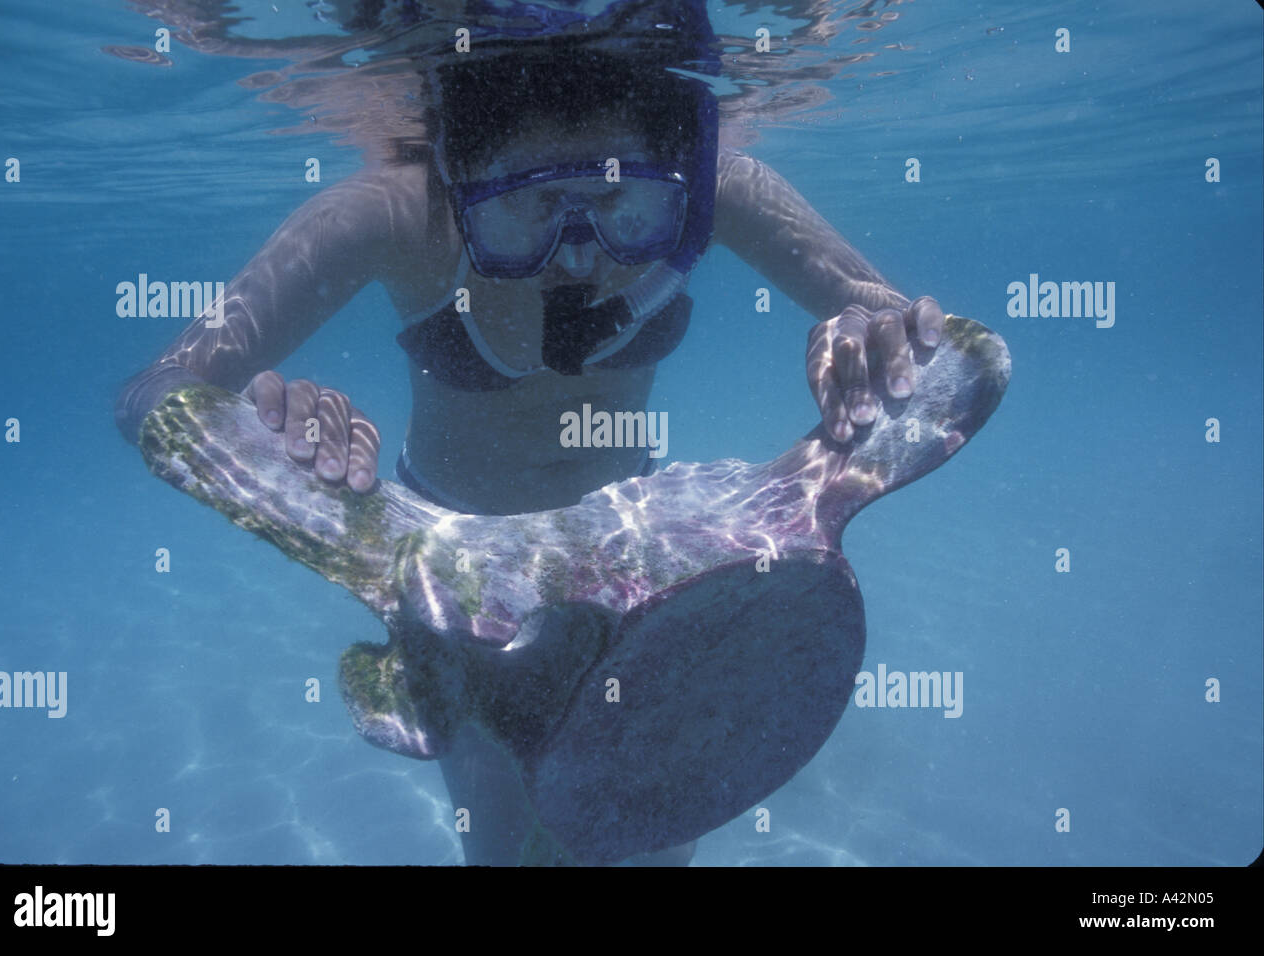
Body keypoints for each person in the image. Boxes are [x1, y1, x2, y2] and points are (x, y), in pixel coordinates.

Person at [115, 11, 946, 865]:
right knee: (508, 844)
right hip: (460, 583)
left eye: (621, 204)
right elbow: (156, 391)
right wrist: (265, 434)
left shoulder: (710, 188)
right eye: (530, 210)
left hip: (643, 570)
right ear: (455, 172)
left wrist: (868, 337)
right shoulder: (389, 215)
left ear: (673, 172)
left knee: (654, 838)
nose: (579, 256)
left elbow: (928, 342)